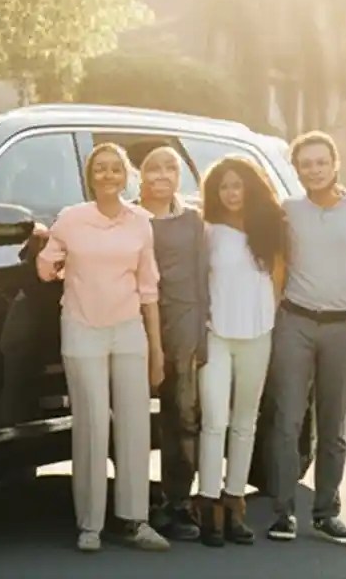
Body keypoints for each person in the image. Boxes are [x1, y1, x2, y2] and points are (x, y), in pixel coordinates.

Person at [37, 141, 169, 553]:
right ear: (90, 176)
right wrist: (47, 247)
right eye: (100, 169)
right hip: (82, 328)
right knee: (92, 423)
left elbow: (149, 288)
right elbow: (46, 269)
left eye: (115, 169)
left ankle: (134, 520)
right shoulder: (71, 219)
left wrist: (157, 349)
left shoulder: (141, 222)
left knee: (135, 423)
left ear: (125, 175)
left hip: (129, 328)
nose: (108, 175)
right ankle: (90, 525)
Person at [267, 130, 346, 547]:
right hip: (295, 323)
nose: (314, 170)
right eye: (306, 164)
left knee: (332, 424)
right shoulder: (288, 211)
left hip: (343, 327)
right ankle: (283, 512)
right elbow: (276, 262)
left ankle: (326, 513)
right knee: (287, 420)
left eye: (321, 162)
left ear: (335, 164)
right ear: (296, 170)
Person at [194, 155, 287, 547]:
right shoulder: (206, 231)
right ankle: (208, 503)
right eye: (224, 187)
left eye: (237, 184)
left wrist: (265, 317)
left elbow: (279, 280)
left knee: (245, 422)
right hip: (216, 334)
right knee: (215, 420)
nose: (231, 193)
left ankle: (235, 503)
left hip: (258, 334)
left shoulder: (272, 228)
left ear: (251, 187)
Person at [133, 145, 206, 542]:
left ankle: (177, 502)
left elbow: (202, 277)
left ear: (179, 177)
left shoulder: (193, 221)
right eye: (153, 168)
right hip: (134, 321)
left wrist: (201, 335)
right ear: (140, 175)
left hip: (183, 322)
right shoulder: (128, 217)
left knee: (181, 414)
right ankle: (132, 501)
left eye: (170, 168)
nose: (161, 175)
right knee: (130, 413)